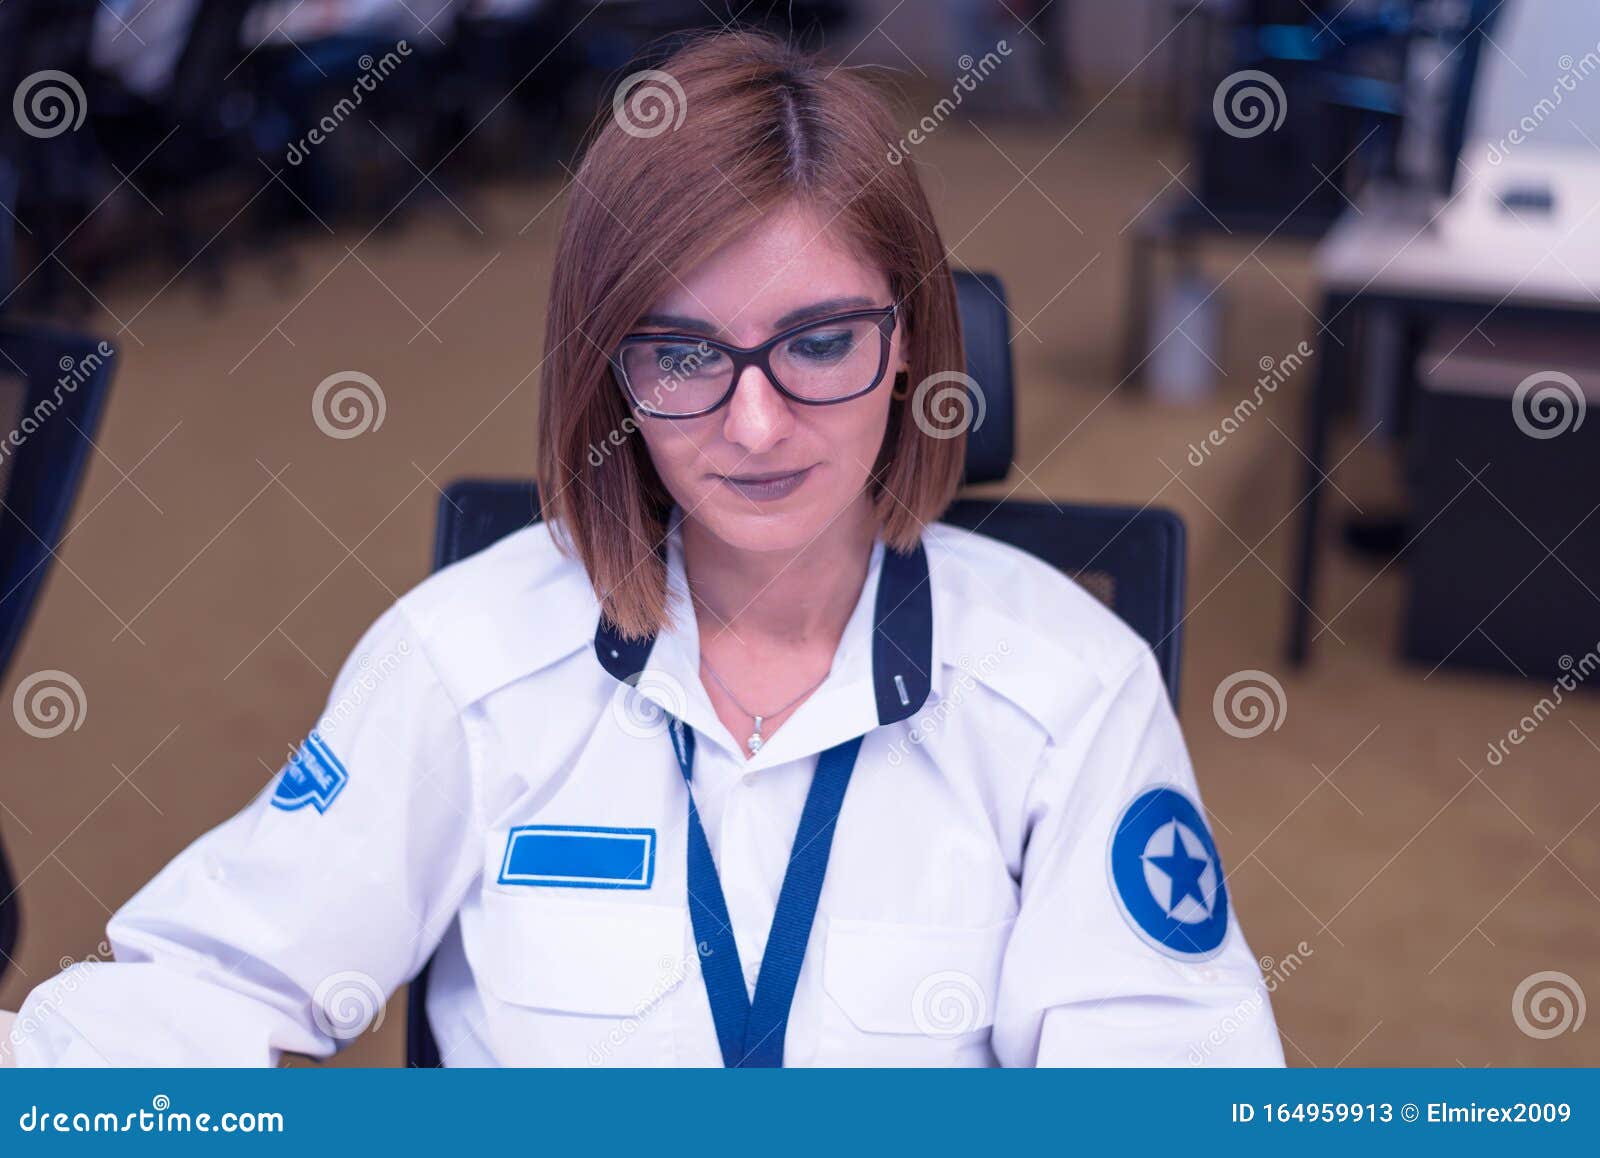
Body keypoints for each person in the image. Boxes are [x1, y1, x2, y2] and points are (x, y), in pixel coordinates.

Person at [10, 30, 1283, 1067]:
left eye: (822, 341)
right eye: (682, 354)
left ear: (911, 343)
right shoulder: (465, 661)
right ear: (606, 374)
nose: (758, 421)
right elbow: (210, 983)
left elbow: (1166, 1095)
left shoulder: (1067, 687)